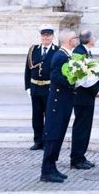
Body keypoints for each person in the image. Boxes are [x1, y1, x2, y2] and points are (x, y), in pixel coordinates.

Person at [40, 29, 78, 183]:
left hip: (64, 102)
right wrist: (74, 81)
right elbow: (56, 77)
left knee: (59, 135)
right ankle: (46, 171)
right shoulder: (60, 56)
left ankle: (52, 167)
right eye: (75, 37)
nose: (77, 40)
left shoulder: (66, 55)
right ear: (69, 40)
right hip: (57, 103)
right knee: (53, 136)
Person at [24, 26, 59, 150]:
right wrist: (27, 87)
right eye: (44, 36)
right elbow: (27, 70)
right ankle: (38, 141)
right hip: (35, 88)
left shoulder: (57, 51)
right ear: (41, 37)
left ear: (52, 37)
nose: (46, 38)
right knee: (37, 116)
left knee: (49, 116)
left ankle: (48, 141)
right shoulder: (33, 50)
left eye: (48, 35)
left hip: (49, 88)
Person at [70, 29, 99, 170]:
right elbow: (82, 77)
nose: (95, 38)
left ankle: (81, 156)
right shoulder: (79, 52)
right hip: (82, 96)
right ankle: (76, 159)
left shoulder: (85, 51)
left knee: (85, 127)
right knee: (81, 127)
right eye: (93, 36)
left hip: (87, 95)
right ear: (89, 39)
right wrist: (95, 91)